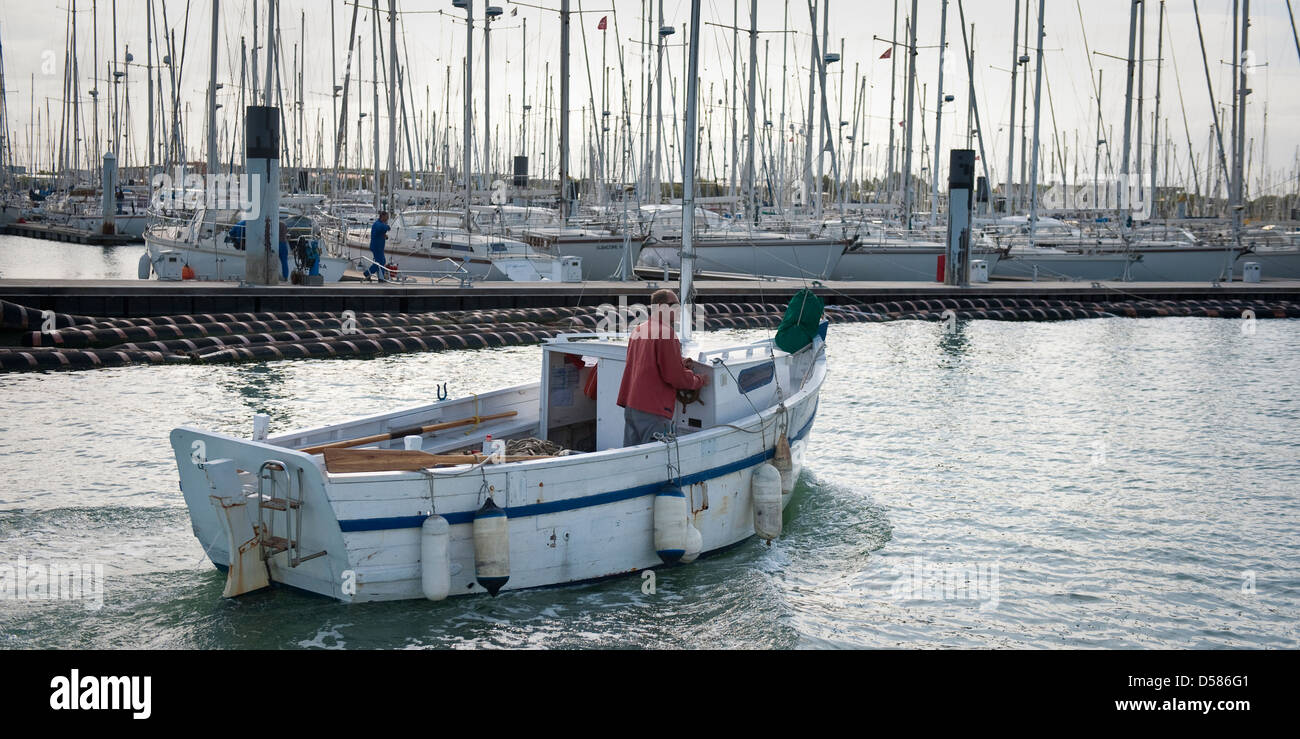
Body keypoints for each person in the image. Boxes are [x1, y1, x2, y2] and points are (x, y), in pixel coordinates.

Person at [616, 289, 710, 447]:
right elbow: (675, 377)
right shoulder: (666, 333)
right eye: (675, 305)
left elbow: (644, 359)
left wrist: (679, 360)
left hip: (632, 405)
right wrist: (698, 380)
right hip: (653, 410)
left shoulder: (639, 329)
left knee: (631, 456)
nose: (679, 310)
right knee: (653, 458)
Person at [366, 211, 391, 281]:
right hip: (376, 247)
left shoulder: (381, 224)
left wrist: (385, 236)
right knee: (380, 262)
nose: (387, 218)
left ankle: (380, 277)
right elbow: (385, 228)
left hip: (380, 247)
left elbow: (380, 232)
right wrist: (387, 226)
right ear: (382, 216)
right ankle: (368, 274)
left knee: (381, 261)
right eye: (386, 217)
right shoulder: (377, 224)